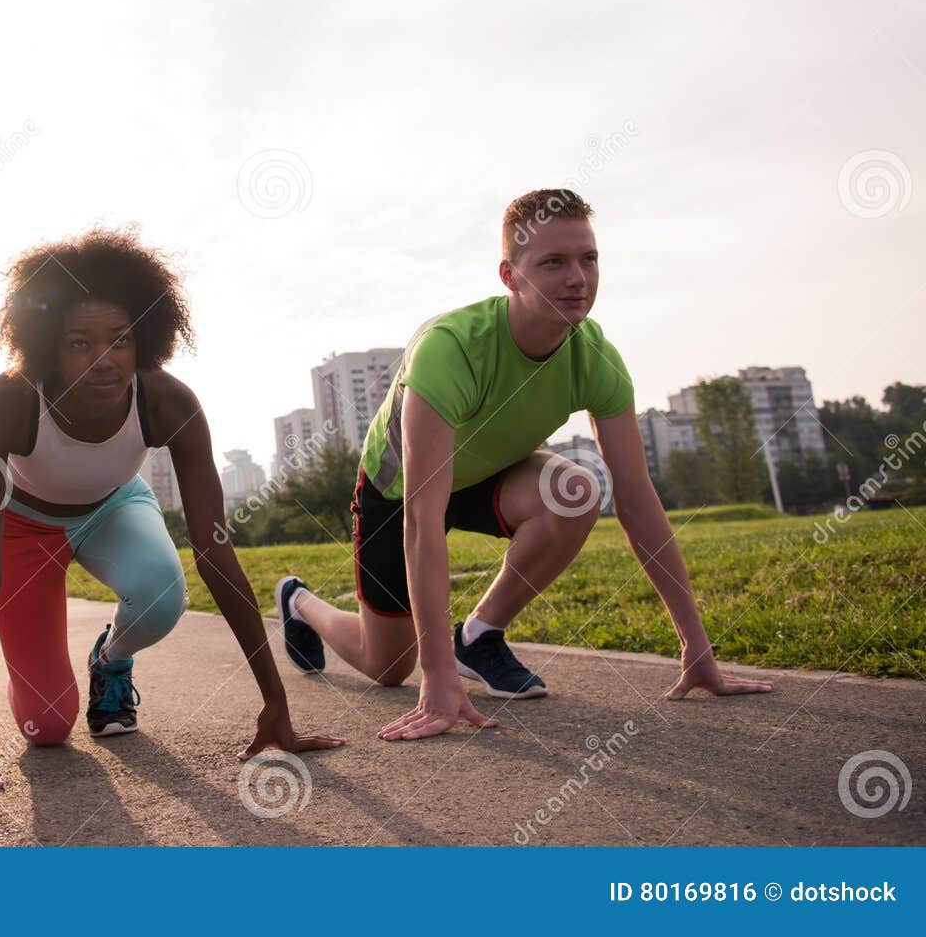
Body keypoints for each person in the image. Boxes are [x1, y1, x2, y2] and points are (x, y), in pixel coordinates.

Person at [274, 190, 773, 742]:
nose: (578, 278)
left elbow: (636, 498)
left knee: (578, 491)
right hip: (400, 490)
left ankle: (480, 635)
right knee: (388, 667)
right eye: (554, 263)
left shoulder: (596, 358)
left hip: (492, 474)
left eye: (588, 259)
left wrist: (695, 643)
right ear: (510, 275)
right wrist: (436, 679)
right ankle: (300, 602)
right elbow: (423, 518)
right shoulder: (450, 349)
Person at [0, 229, 343, 798]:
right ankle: (36, 678)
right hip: (23, 526)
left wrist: (276, 702)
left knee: (160, 592)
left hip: (115, 507)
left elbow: (214, 551)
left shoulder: (169, 401)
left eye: (120, 340)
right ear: (47, 343)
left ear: (142, 341)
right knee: (46, 727)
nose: (104, 361)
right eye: (79, 342)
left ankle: (111, 659)